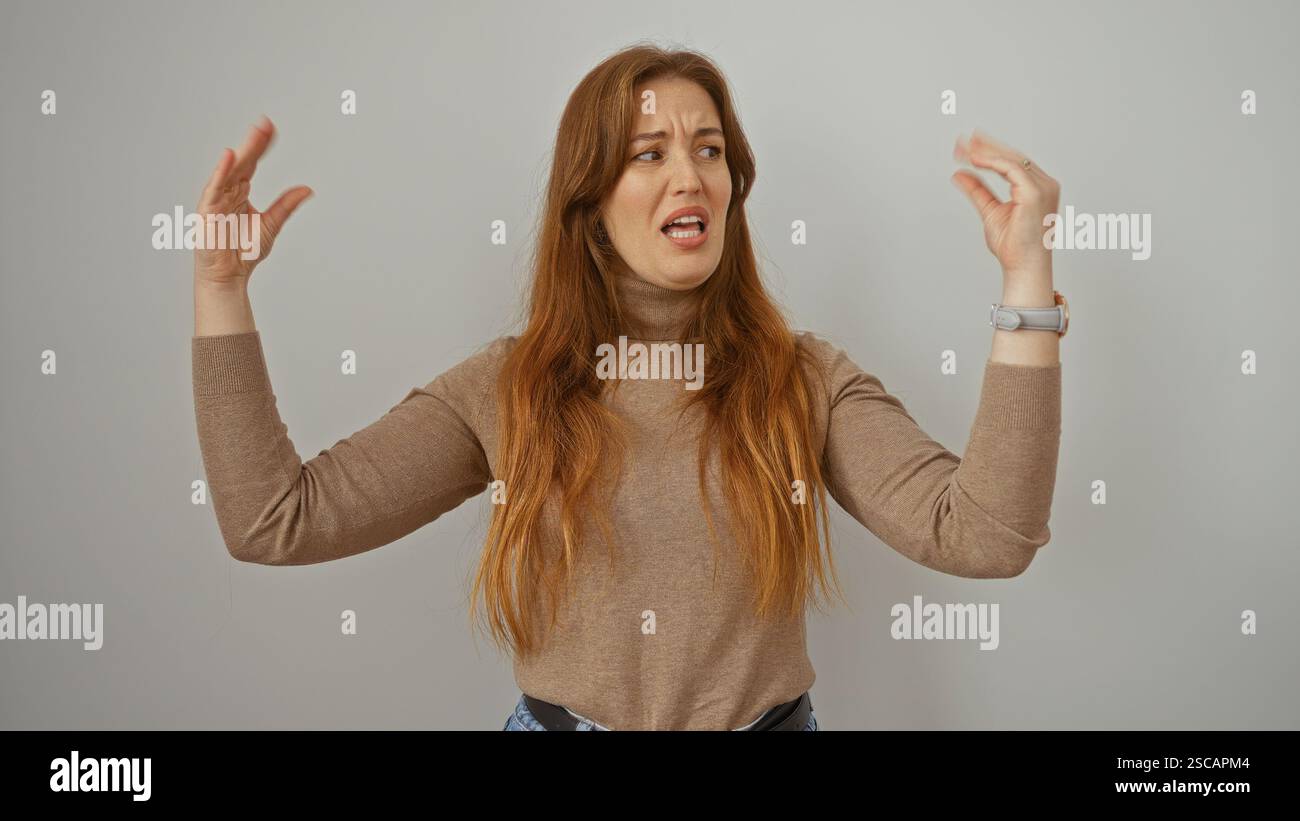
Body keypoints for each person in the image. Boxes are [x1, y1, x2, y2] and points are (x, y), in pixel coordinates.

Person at [191, 44, 1064, 731]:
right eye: (650, 153)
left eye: (709, 149)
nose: (691, 174)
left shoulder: (804, 381)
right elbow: (275, 518)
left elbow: (986, 536)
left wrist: (1026, 282)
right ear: (591, 203)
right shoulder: (505, 388)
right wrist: (221, 289)